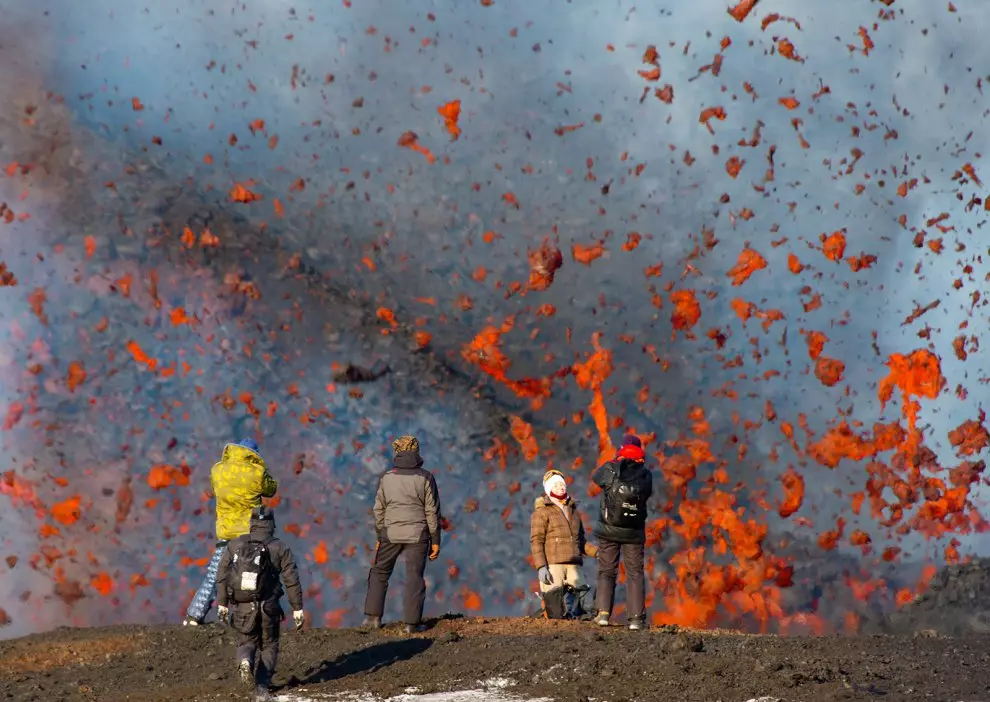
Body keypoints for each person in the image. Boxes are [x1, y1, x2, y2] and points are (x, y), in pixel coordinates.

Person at [184, 438, 278, 626]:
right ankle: (245, 619)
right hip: (249, 535)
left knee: (216, 574)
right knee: (251, 575)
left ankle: (194, 615)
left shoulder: (217, 470)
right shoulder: (257, 473)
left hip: (225, 533)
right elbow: (271, 489)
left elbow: (215, 490)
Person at [216, 506, 303, 702]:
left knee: (246, 640)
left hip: (243, 606)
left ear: (252, 523)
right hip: (268, 608)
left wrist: (222, 603)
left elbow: (222, 575)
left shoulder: (235, 544)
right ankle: (262, 687)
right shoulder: (280, 547)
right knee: (269, 645)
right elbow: (291, 580)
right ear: (272, 524)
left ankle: (245, 660)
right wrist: (297, 608)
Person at [362, 435, 442, 634]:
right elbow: (432, 511)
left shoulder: (387, 477)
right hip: (418, 534)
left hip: (391, 532)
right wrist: (436, 539)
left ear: (397, 452)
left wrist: (380, 536)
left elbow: (378, 510)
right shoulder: (426, 477)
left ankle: (373, 618)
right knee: (414, 577)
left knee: (380, 572)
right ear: (416, 452)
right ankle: (411, 624)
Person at [591, 434, 653, 630]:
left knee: (607, 571)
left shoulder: (610, 468)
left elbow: (596, 478)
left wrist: (614, 460)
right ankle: (636, 619)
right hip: (633, 532)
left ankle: (602, 614)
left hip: (609, 529)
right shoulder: (645, 474)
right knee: (635, 573)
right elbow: (647, 494)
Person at [530, 469, 598, 615]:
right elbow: (536, 541)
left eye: (562, 484)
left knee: (588, 607)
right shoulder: (542, 512)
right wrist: (541, 567)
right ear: (548, 489)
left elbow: (581, 542)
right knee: (555, 614)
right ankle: (544, 612)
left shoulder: (573, 511)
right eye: (555, 485)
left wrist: (598, 552)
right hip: (553, 566)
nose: (560, 487)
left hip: (574, 566)